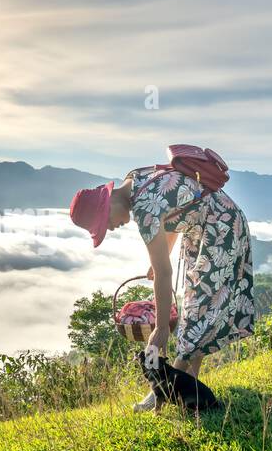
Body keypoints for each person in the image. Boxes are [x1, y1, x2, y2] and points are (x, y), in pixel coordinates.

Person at [69, 164, 256, 411]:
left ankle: (160, 394)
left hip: (221, 228)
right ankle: (189, 387)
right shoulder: (135, 178)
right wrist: (160, 258)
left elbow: (164, 272)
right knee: (194, 310)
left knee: (197, 310)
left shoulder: (143, 210)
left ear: (107, 205)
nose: (111, 228)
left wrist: (159, 328)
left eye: (106, 223)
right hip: (204, 226)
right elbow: (173, 214)